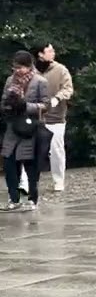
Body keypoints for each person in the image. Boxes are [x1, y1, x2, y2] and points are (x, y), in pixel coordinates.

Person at [2, 51, 51, 212]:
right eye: (15, 67)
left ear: (29, 66)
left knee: (30, 164)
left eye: (21, 67)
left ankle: (32, 198)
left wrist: (26, 106)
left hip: (31, 127)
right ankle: (13, 198)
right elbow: (3, 102)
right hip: (13, 126)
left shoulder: (40, 81)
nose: (17, 70)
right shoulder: (10, 81)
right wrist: (9, 105)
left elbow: (46, 105)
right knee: (9, 162)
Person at [30, 43, 72, 193]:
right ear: (40, 54)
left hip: (55, 118)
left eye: (53, 50)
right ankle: (31, 181)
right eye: (49, 51)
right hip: (36, 117)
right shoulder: (32, 71)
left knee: (56, 150)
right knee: (31, 150)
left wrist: (58, 98)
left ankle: (58, 181)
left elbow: (68, 89)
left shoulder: (60, 70)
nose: (53, 53)